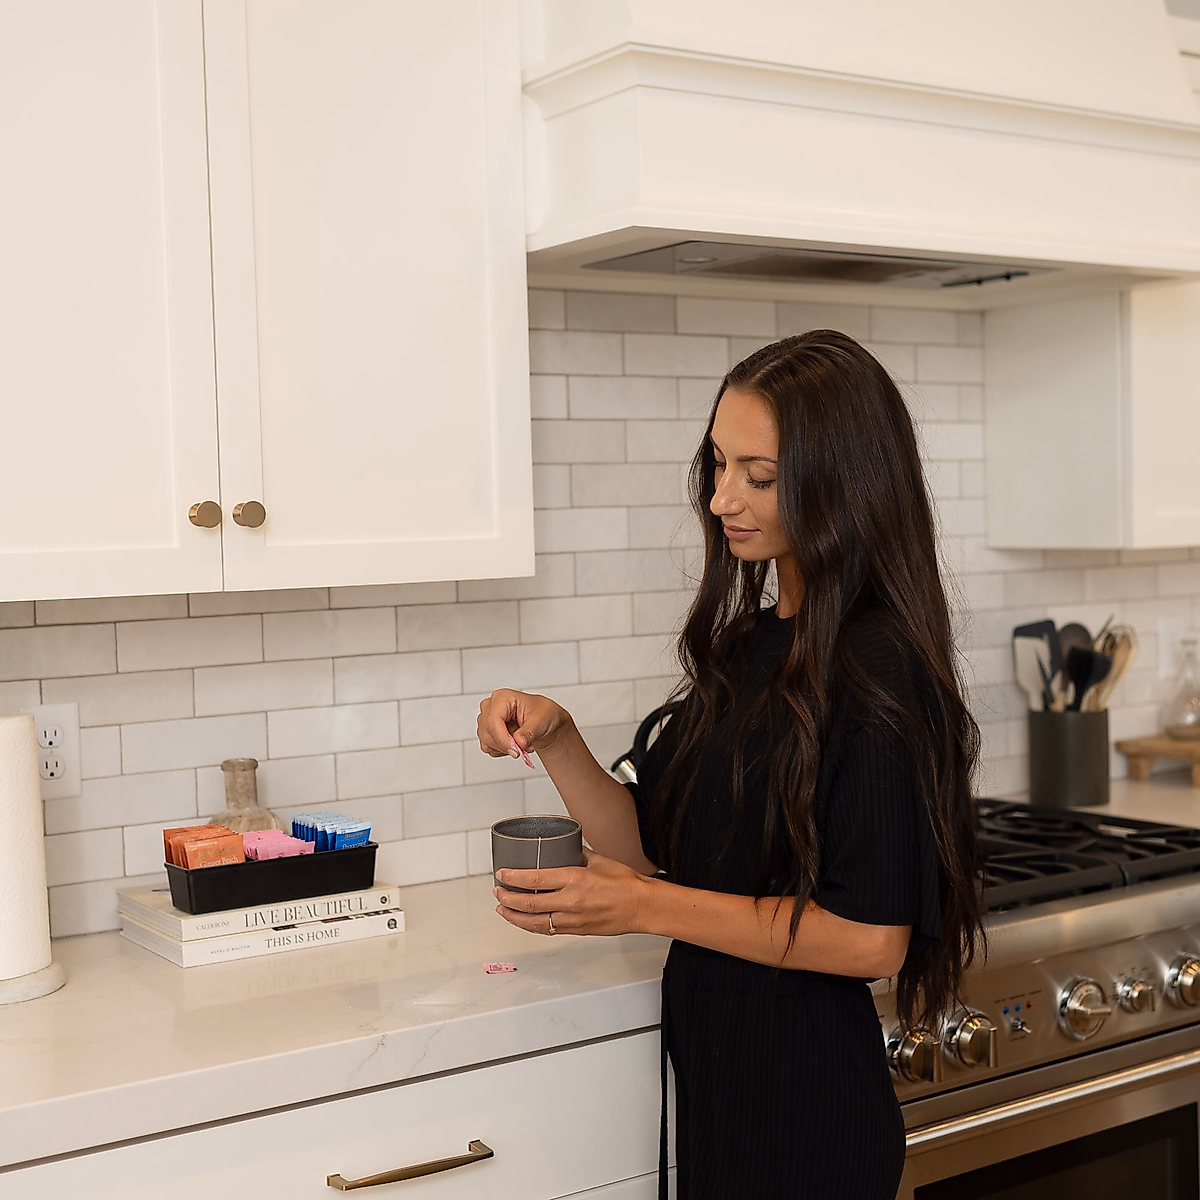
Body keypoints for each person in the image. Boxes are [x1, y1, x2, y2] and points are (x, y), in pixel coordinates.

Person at [477, 330, 984, 1199]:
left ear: (843, 483)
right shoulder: (753, 645)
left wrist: (642, 906)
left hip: (809, 1117)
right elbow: (643, 849)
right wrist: (559, 740)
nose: (720, 499)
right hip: (727, 1087)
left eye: (760, 475)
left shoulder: (878, 670)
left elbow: (870, 940)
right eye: (718, 464)